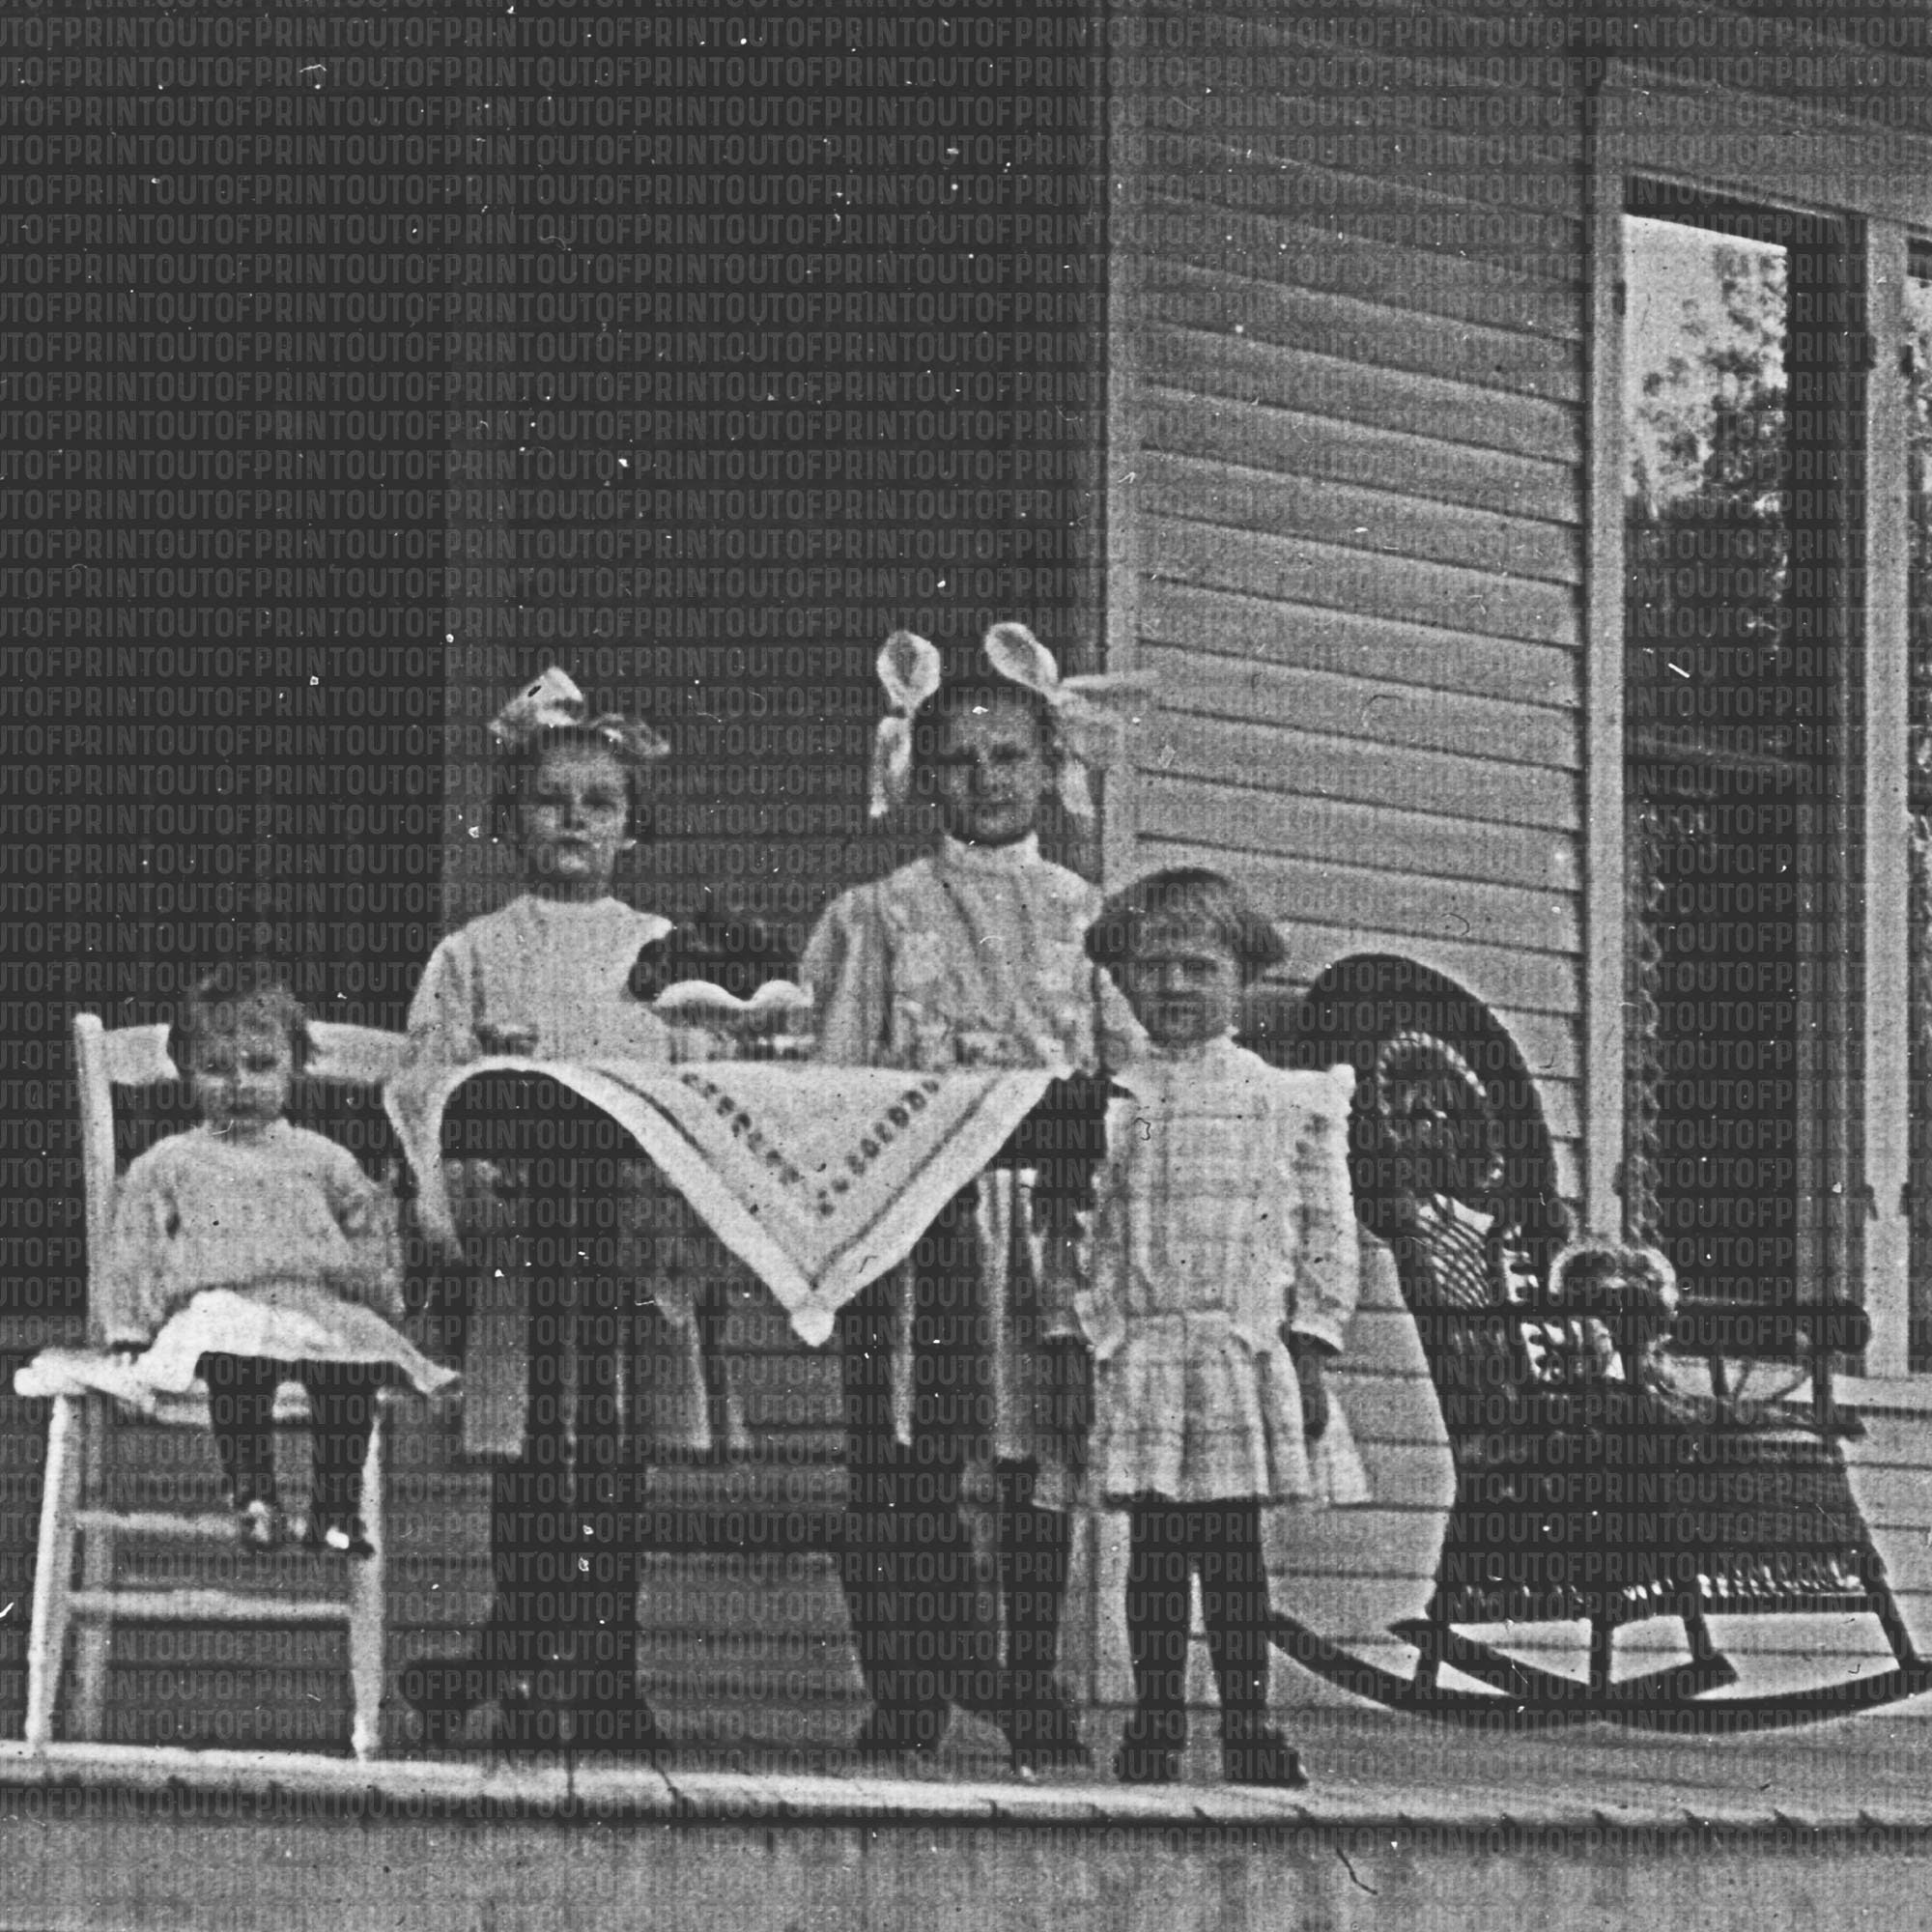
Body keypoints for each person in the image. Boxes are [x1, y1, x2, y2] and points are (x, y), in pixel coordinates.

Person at [799, 623, 1148, 1770]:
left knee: (1030, 1453)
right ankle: (907, 1679)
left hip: (1042, 1220)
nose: (985, 779)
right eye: (958, 759)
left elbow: (1131, 1073)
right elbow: (836, 1077)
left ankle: (1026, 1672)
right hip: (914, 1213)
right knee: (906, 1451)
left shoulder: (1089, 914)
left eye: (1008, 756)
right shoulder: (879, 910)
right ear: (919, 772)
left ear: (1050, 767)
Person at [397, 667, 712, 1753]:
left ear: (632, 823)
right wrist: (466, 1185)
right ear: (508, 818)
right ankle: (527, 1664)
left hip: (626, 1235)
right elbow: (428, 1092)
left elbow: (703, 1086)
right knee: (534, 1452)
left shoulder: (667, 949)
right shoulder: (474, 951)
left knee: (615, 1450)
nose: (575, 817)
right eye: (550, 798)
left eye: (601, 800)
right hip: (522, 1243)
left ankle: (600, 1666)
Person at [1062, 868, 1363, 1787]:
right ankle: (1155, 1720)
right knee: (1153, 1553)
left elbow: (1325, 1231)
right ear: (1120, 981)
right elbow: (1071, 1236)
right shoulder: (1108, 1099)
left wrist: (1310, 1343)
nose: (1176, 988)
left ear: (1242, 979)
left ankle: (1248, 1722)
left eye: (1199, 967)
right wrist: (1071, 1342)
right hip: (1144, 1353)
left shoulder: (1286, 1099)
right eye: (1152, 970)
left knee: (1232, 1556)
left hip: (1241, 1353)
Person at [99, 962, 456, 1554]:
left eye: (260, 1065)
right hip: (221, 1306)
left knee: (349, 1372)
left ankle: (335, 1509)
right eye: (216, 1068)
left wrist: (381, 1298)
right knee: (236, 1364)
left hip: (312, 1305)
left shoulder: (325, 1160)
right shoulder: (169, 1163)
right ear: (188, 1071)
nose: (239, 1083)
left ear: (293, 1067)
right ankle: (253, 1492)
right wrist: (130, 1328)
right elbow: (136, 1246)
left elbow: (370, 1234)